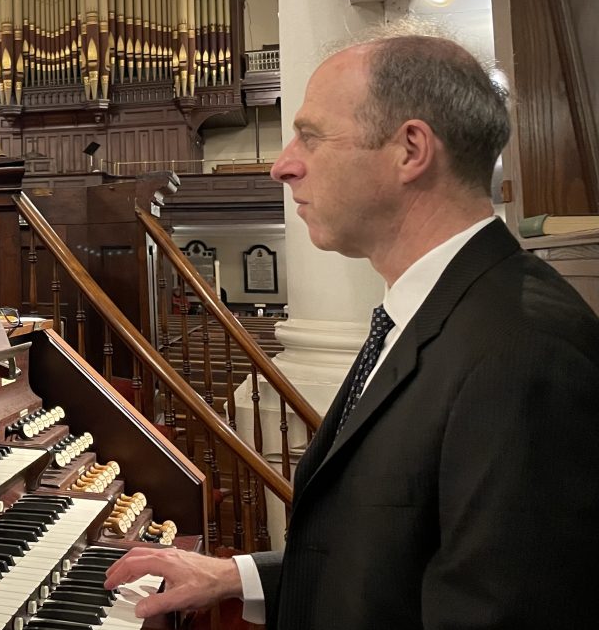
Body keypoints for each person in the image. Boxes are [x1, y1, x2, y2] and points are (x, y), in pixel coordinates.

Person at [105, 34, 599, 629]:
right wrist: (237, 576)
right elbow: (396, 559)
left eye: (311, 136)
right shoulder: (432, 310)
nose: (281, 164)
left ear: (411, 150)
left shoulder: (523, 353)